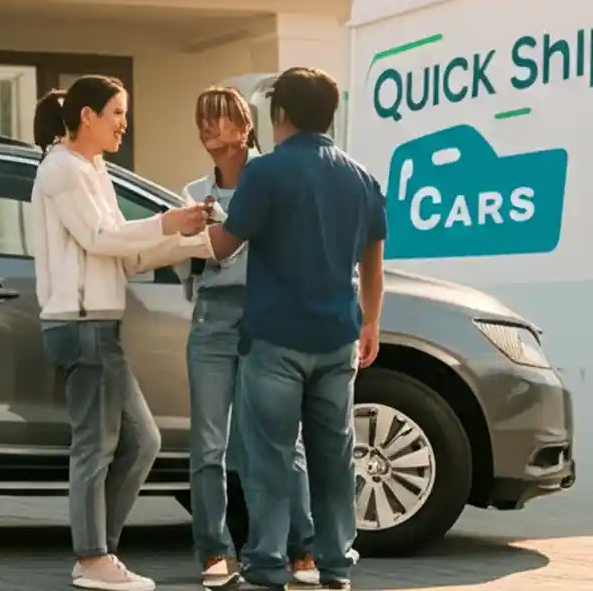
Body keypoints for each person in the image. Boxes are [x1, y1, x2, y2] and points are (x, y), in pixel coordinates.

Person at [204, 67, 386, 591]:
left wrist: (190, 227)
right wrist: (370, 321)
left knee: (269, 458)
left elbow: (225, 245)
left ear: (279, 114)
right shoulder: (360, 177)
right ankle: (335, 566)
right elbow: (372, 260)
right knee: (333, 456)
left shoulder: (266, 174)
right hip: (338, 339)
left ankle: (264, 563)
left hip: (275, 340)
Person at [29, 74, 212, 591]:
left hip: (99, 325)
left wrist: (193, 240)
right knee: (96, 446)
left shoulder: (92, 169)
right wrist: (169, 221)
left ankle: (98, 553)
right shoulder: (62, 169)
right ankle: (92, 560)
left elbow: (127, 255)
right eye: (116, 113)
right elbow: (102, 237)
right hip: (81, 325)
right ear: (86, 115)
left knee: (142, 441)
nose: (123, 125)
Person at [175, 88, 318, 590]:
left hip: (267, 319)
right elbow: (184, 266)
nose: (208, 132)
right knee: (209, 444)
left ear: (245, 125)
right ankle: (213, 550)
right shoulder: (193, 190)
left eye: (218, 121)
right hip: (212, 320)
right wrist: (196, 235)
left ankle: (301, 548)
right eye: (202, 123)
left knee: (282, 440)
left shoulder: (277, 178)